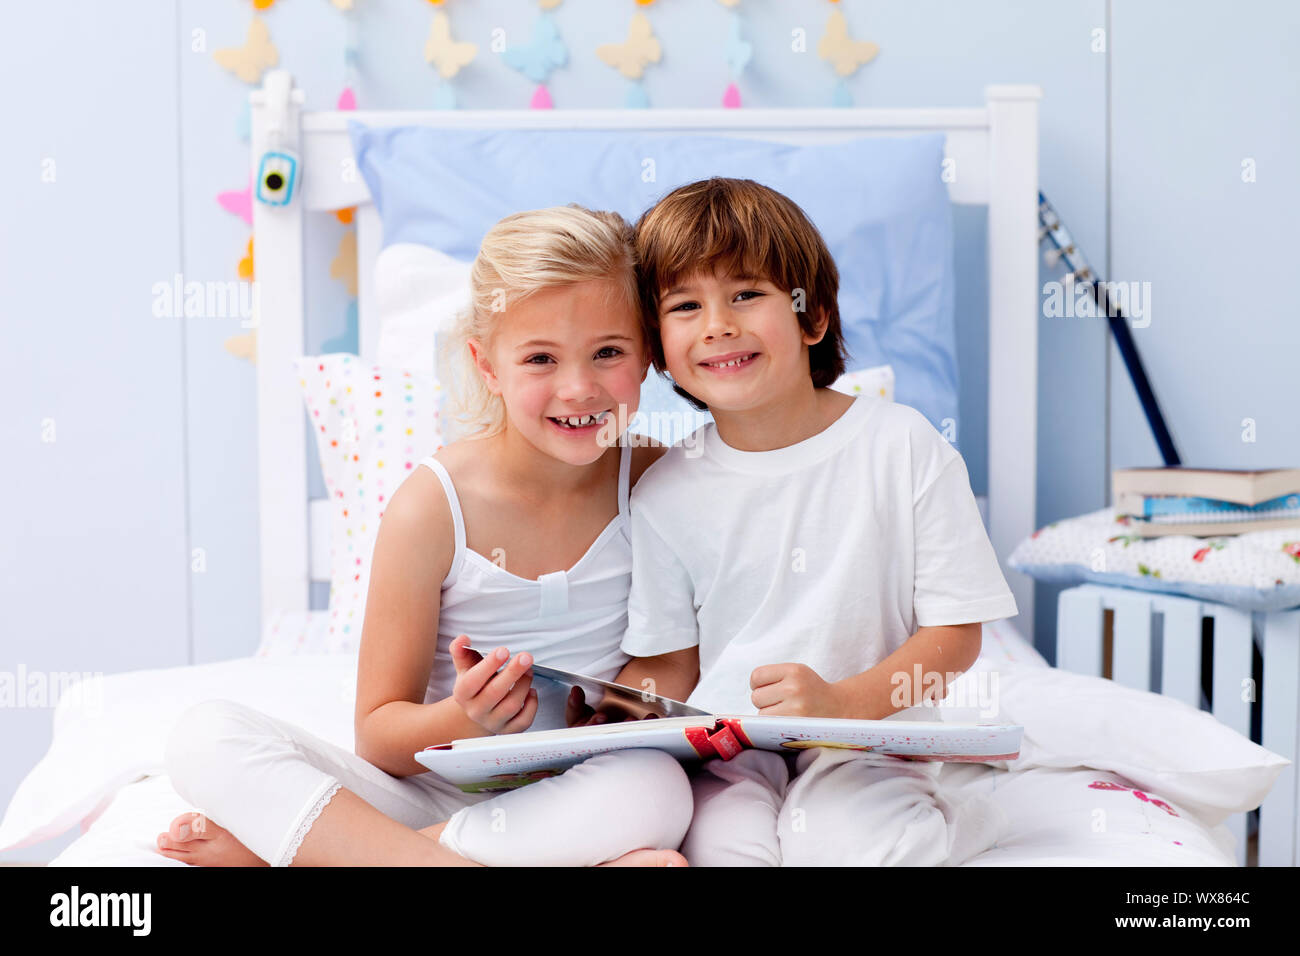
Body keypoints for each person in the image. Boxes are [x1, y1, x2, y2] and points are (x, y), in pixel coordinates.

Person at [155, 205, 692, 867]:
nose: (578, 388)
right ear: (487, 366)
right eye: (539, 358)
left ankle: (338, 857)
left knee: (658, 788)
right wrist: (467, 720)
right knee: (203, 737)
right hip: (434, 797)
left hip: (580, 792)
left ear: (647, 355)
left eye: (608, 352)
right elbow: (379, 737)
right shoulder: (433, 507)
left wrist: (606, 719)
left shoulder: (657, 481)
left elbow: (676, 660)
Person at [608, 177, 1018, 866]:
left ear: (812, 316)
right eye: (685, 306)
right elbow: (673, 657)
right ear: (659, 347)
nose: (718, 325)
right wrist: (606, 714)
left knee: (854, 848)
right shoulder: (663, 492)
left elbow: (956, 633)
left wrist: (841, 703)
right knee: (722, 850)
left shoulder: (901, 444)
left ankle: (969, 815)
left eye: (746, 294)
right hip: (733, 751)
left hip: (867, 735)